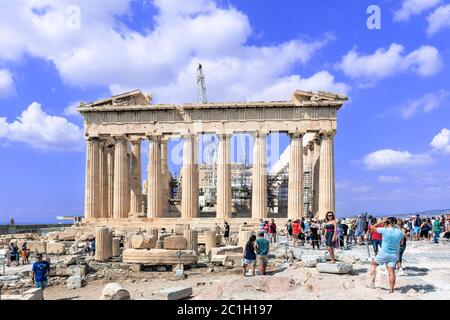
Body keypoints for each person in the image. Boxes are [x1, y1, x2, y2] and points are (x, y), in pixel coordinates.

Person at [368, 217, 403, 293]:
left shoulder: (385, 230)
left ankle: (372, 284)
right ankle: (391, 290)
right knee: (391, 271)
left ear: (387, 223)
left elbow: (371, 227)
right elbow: (401, 243)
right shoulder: (399, 232)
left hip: (384, 253)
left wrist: (381, 221)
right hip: (393, 254)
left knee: (373, 264)